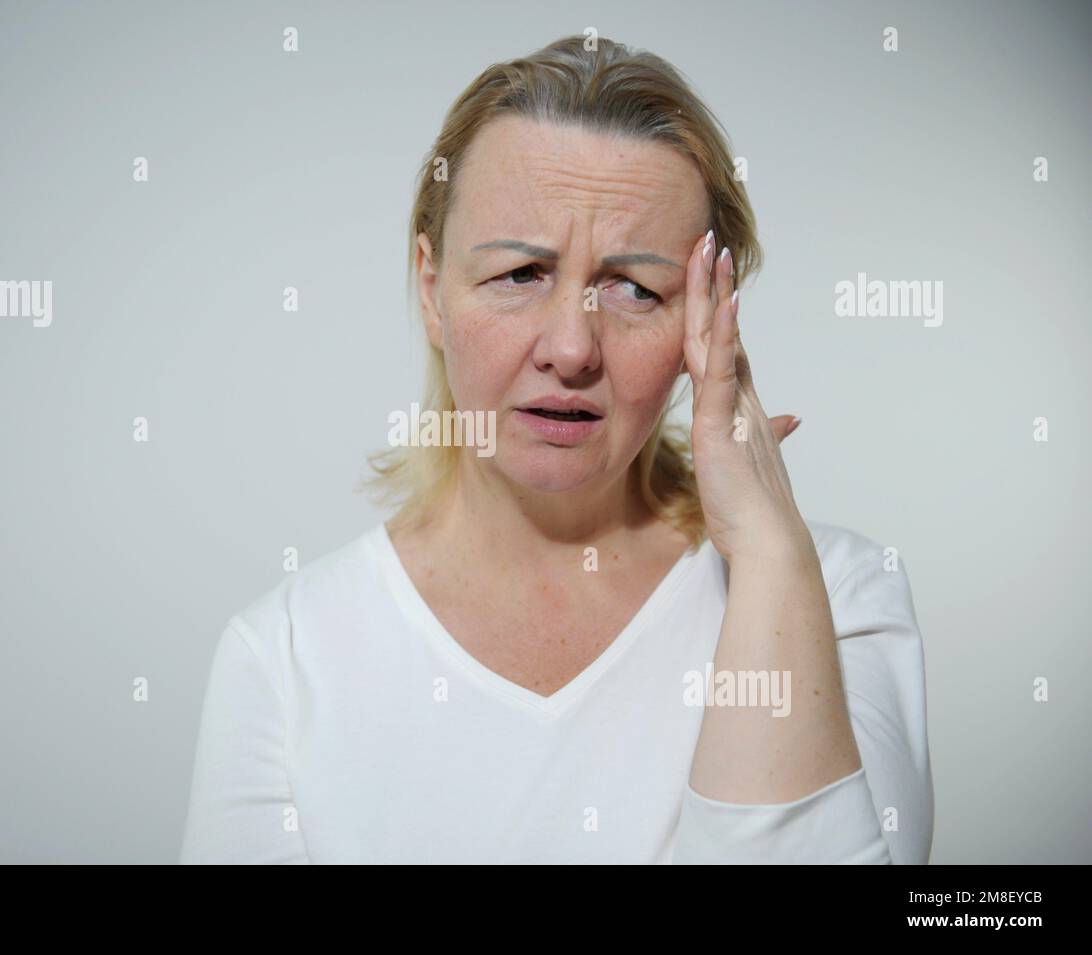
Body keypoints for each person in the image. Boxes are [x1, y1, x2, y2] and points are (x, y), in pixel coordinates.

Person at [179, 34, 933, 864]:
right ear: (432, 289)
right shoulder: (284, 655)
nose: (572, 348)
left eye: (636, 288)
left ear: (708, 318)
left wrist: (767, 555)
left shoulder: (833, 593)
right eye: (521, 273)